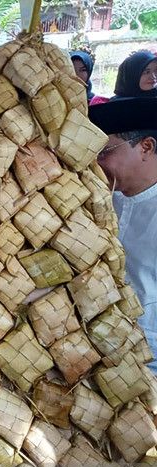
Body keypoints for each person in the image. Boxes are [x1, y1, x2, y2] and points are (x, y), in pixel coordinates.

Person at [89, 97, 157, 372]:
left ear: (146, 147)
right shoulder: (97, 200)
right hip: (97, 348)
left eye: (104, 153)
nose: (95, 164)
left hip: (149, 357)